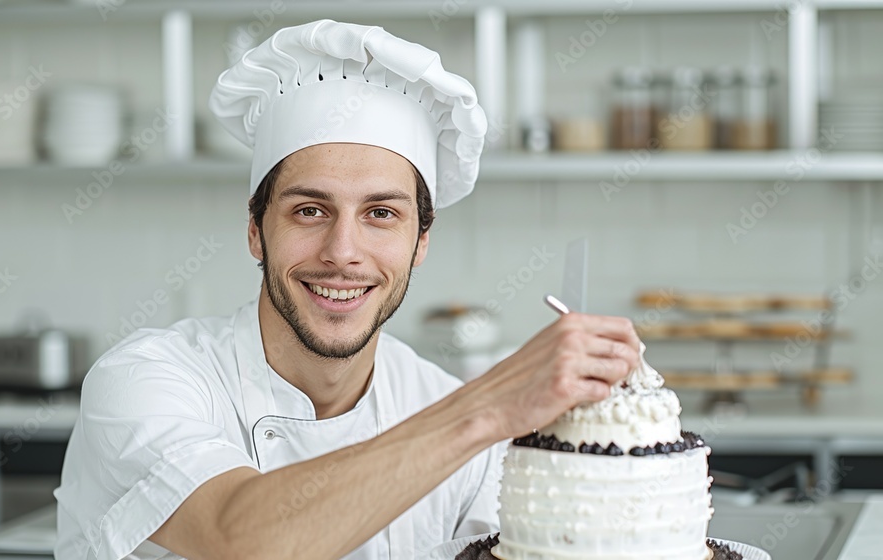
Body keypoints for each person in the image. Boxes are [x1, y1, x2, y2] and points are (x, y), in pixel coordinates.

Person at [54, 19, 641, 560]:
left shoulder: (445, 410)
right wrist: (489, 405)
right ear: (257, 231)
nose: (342, 252)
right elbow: (239, 537)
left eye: (382, 214)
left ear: (421, 243)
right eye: (310, 210)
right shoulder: (144, 381)